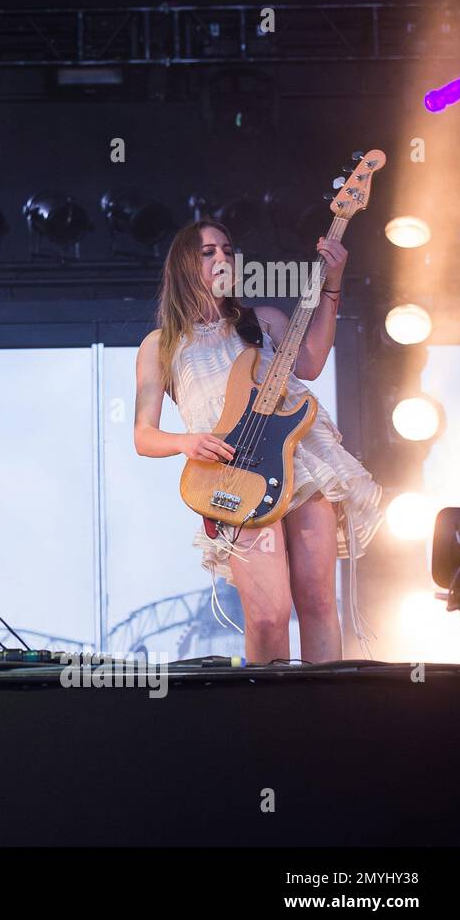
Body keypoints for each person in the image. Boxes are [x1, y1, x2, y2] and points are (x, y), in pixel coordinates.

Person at [133, 219, 382, 663]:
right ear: (184, 265)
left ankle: (327, 713)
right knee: (268, 614)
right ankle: (272, 716)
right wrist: (187, 442)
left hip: (299, 462)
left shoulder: (262, 321)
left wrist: (333, 285)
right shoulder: (161, 345)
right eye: (208, 252)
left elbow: (308, 365)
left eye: (227, 249)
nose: (222, 258)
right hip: (234, 476)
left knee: (319, 601)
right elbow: (144, 436)